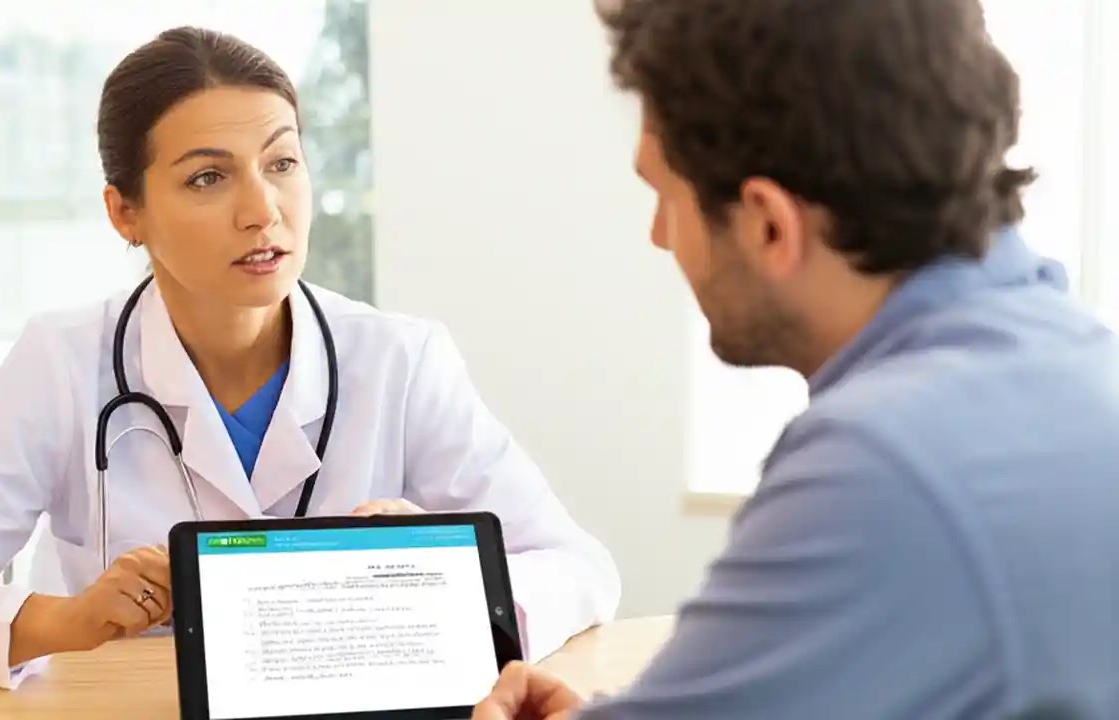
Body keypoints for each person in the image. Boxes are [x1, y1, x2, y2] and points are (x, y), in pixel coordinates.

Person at [0, 27, 619, 689]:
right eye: (208, 177)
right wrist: (63, 620)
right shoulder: (64, 362)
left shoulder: (400, 359)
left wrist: (441, 573)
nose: (262, 210)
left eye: (281, 163)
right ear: (125, 212)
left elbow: (581, 569)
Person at [475, 0, 1118, 718]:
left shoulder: (884, 463)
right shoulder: (1070, 358)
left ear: (769, 225)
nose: (658, 236)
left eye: (663, 196)